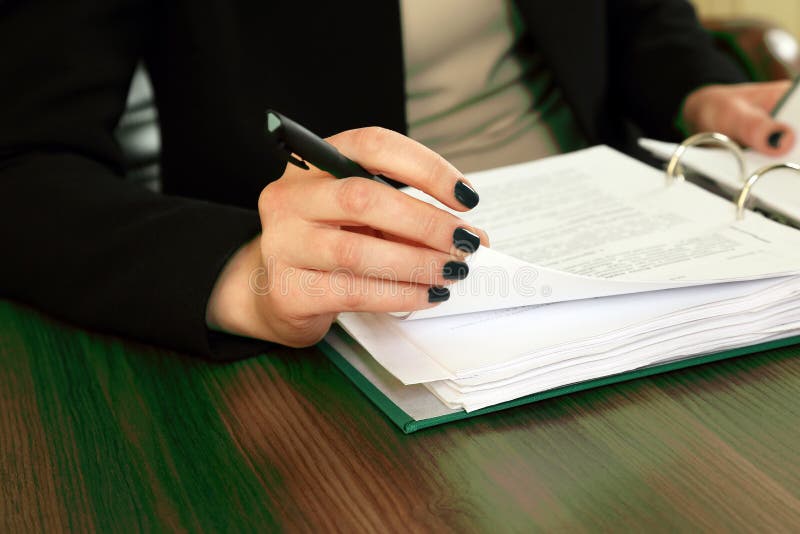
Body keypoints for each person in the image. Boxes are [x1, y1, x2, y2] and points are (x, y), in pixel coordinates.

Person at [0, 0, 794, 359]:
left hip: (624, 230)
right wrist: (238, 271)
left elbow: (642, 17)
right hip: (323, 312)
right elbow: (25, 160)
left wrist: (698, 88)